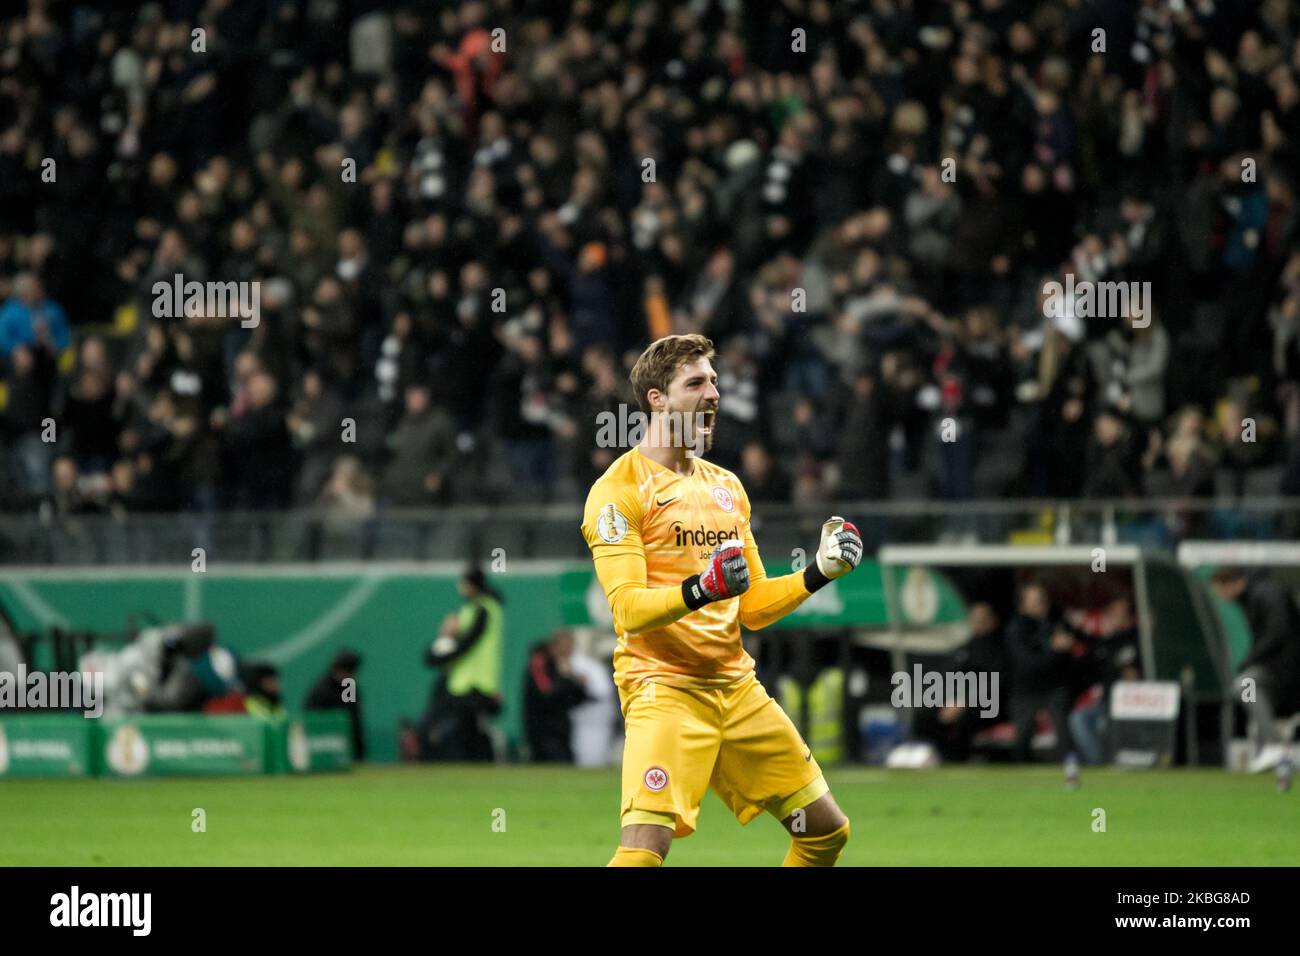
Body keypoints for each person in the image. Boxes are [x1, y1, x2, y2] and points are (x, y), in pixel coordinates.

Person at [581, 333, 863, 867]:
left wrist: (818, 572)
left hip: (736, 687)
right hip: (663, 688)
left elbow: (751, 604)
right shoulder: (618, 491)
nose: (713, 393)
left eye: (714, 381)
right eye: (696, 383)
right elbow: (628, 610)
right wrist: (702, 589)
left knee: (826, 831)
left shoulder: (727, 487)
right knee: (644, 852)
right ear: (657, 400)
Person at [1210, 568, 1300, 773]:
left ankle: (1273, 746)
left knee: (1245, 685)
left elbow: (1278, 632)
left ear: (1234, 583)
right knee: (1251, 697)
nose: (1221, 598)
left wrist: (1251, 660)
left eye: (1221, 591)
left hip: (1287, 669)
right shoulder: (1255, 595)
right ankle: (1267, 751)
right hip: (1278, 668)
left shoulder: (1265, 593)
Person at [421, 567, 504, 761]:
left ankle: (483, 764)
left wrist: (438, 657)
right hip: (465, 681)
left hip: (476, 681)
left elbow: (467, 643)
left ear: (471, 585)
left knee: (473, 732)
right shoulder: (473, 608)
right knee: (467, 730)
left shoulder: (483, 609)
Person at [913, 602, 1008, 762]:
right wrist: (946, 701)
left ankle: (957, 761)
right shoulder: (965, 649)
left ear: (993, 621)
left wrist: (965, 702)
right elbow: (947, 677)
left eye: (982, 619)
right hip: (955, 701)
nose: (978, 624)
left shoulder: (999, 650)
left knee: (964, 722)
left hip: (988, 705)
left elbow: (996, 683)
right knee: (923, 718)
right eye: (975, 620)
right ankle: (935, 758)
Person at [1004, 581, 1079, 762]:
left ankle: (1072, 769)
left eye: (1044, 600)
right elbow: (1027, 663)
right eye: (1037, 601)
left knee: (1063, 730)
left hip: (1055, 687)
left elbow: (1079, 651)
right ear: (1024, 606)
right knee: (1022, 738)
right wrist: (1054, 650)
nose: (1042, 604)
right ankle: (1021, 774)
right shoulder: (1017, 629)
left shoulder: (1058, 622)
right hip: (1026, 689)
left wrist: (1069, 647)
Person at [1068, 596, 1142, 765]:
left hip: (1133, 704)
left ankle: (1102, 765)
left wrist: (1136, 674)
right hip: (1107, 702)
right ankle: (1097, 765)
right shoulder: (1106, 642)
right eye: (1112, 612)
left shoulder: (1139, 639)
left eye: (1119, 613)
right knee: (1078, 718)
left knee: (1103, 726)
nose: (1113, 616)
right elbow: (1088, 661)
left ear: (1130, 616)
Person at [523, 630, 590, 762]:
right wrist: (566, 678)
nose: (567, 654)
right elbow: (546, 695)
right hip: (542, 730)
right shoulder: (539, 664)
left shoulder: (562, 668)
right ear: (554, 647)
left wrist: (579, 685)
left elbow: (574, 699)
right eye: (564, 649)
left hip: (561, 730)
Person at [305, 649, 365, 761]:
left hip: (350, 751)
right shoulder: (321, 690)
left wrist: (359, 752)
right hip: (324, 750)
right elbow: (312, 723)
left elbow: (354, 719)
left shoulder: (349, 687)